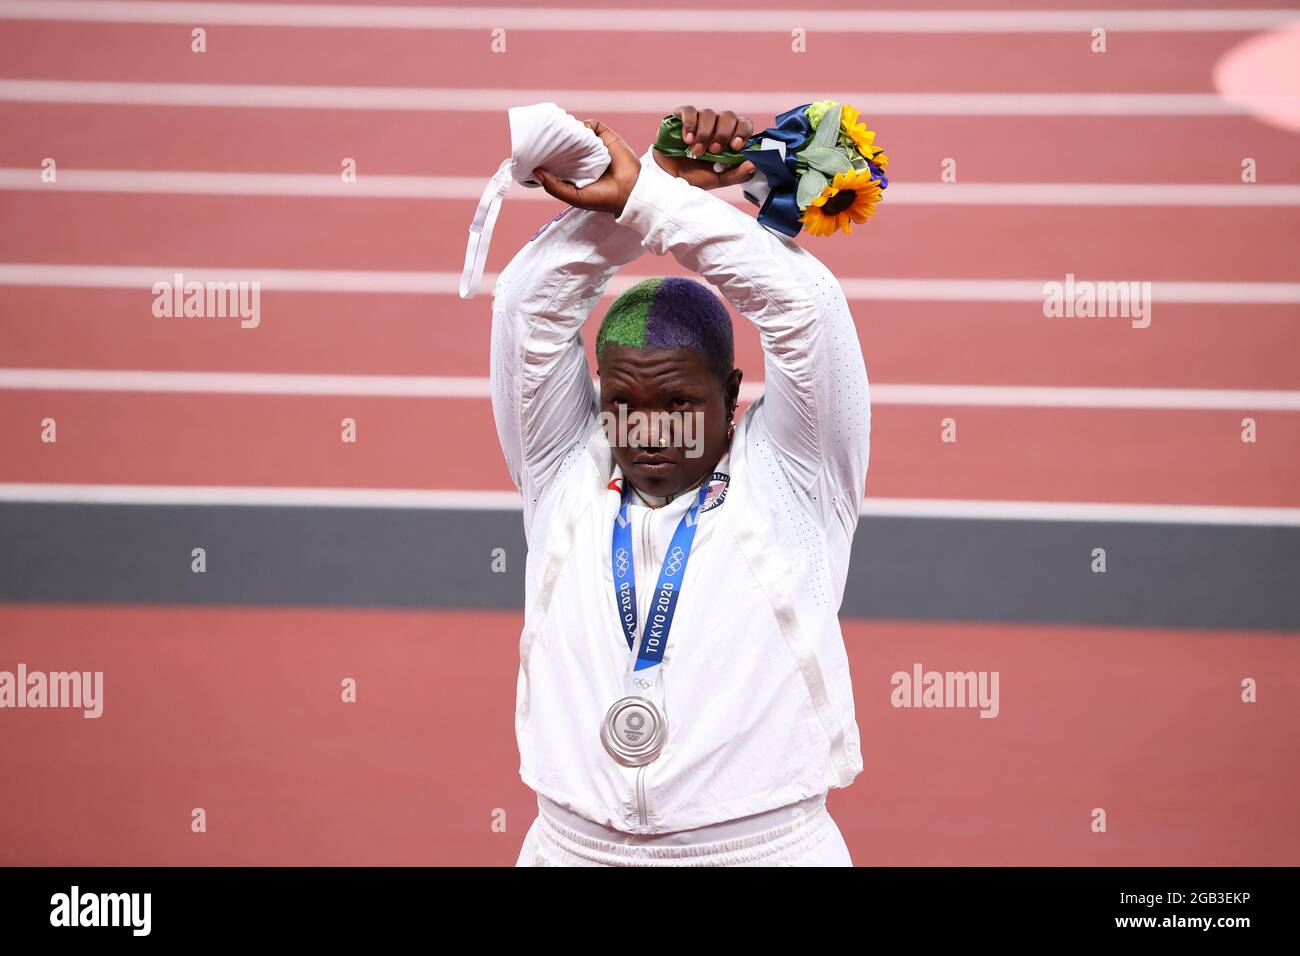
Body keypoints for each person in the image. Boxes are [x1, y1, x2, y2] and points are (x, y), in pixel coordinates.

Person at [490, 107, 871, 866]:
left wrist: (663, 204)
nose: (649, 432)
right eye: (624, 404)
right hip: (570, 848)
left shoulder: (795, 472)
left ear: (733, 395)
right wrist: (649, 191)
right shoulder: (565, 466)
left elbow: (807, 310)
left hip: (762, 851)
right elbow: (526, 308)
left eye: (679, 404)